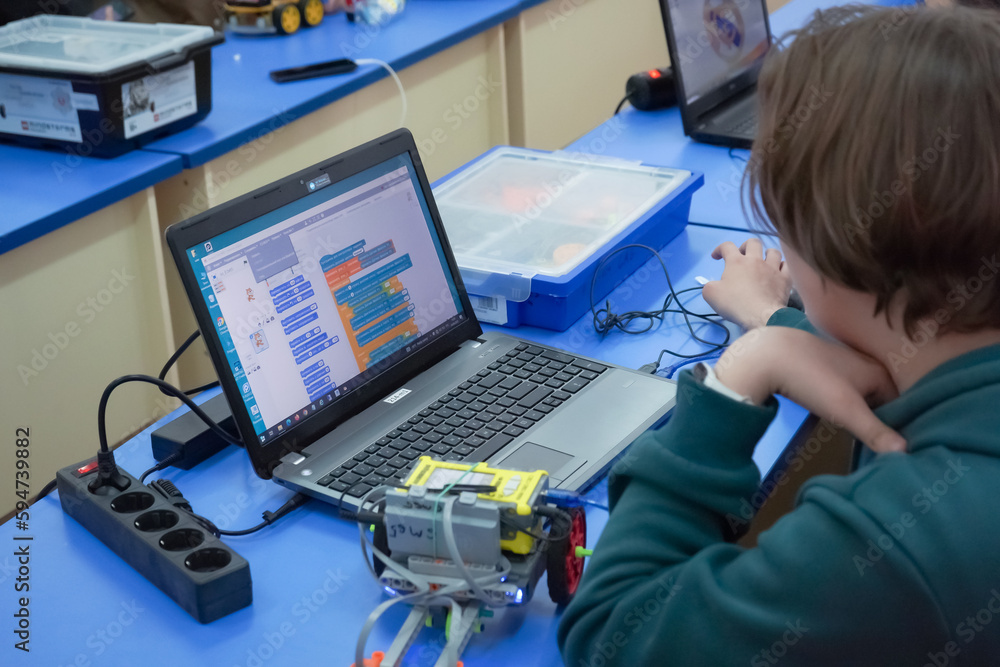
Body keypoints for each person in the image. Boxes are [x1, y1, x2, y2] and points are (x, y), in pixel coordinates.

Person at [558, 5, 1000, 665]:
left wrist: (737, 378)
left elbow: (615, 631)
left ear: (839, 245)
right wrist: (776, 323)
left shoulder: (897, 546)